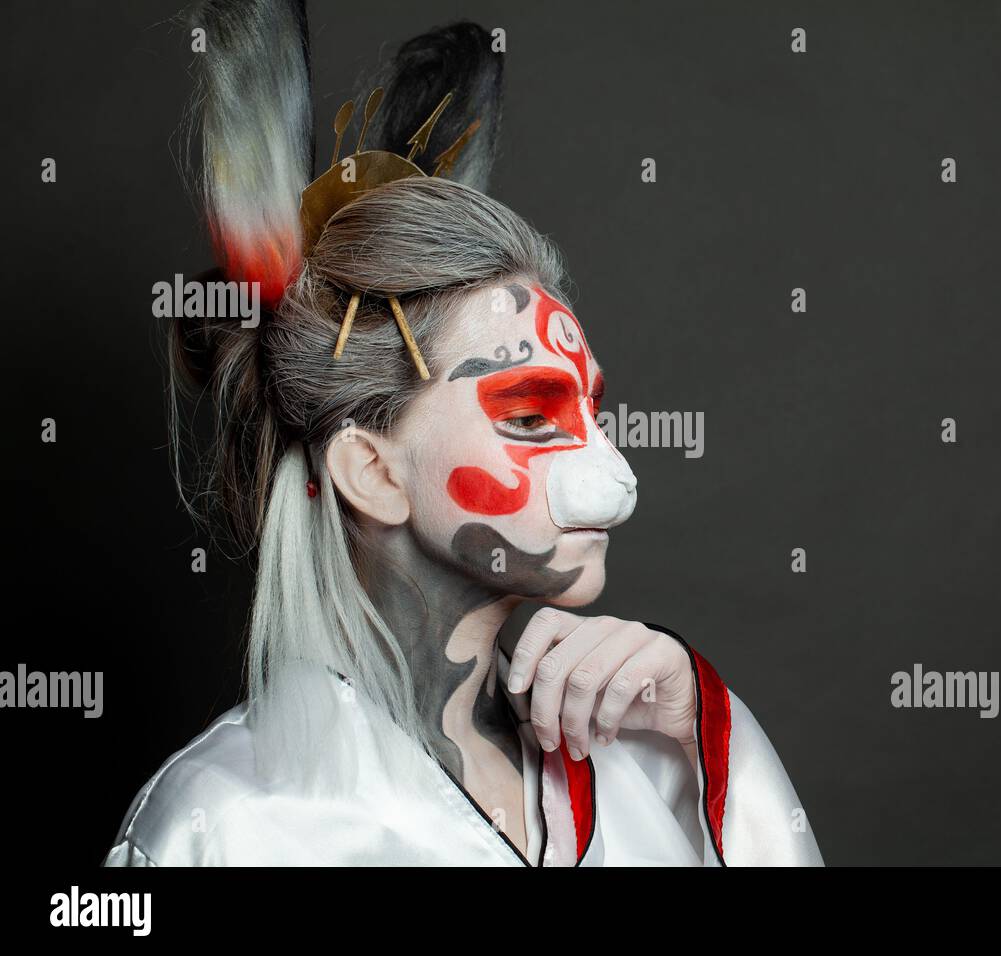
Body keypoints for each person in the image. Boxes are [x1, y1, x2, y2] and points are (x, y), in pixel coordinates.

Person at [104, 0, 822, 867]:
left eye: (591, 411)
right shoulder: (229, 827)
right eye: (528, 415)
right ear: (371, 469)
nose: (612, 471)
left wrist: (708, 738)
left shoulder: (652, 755)